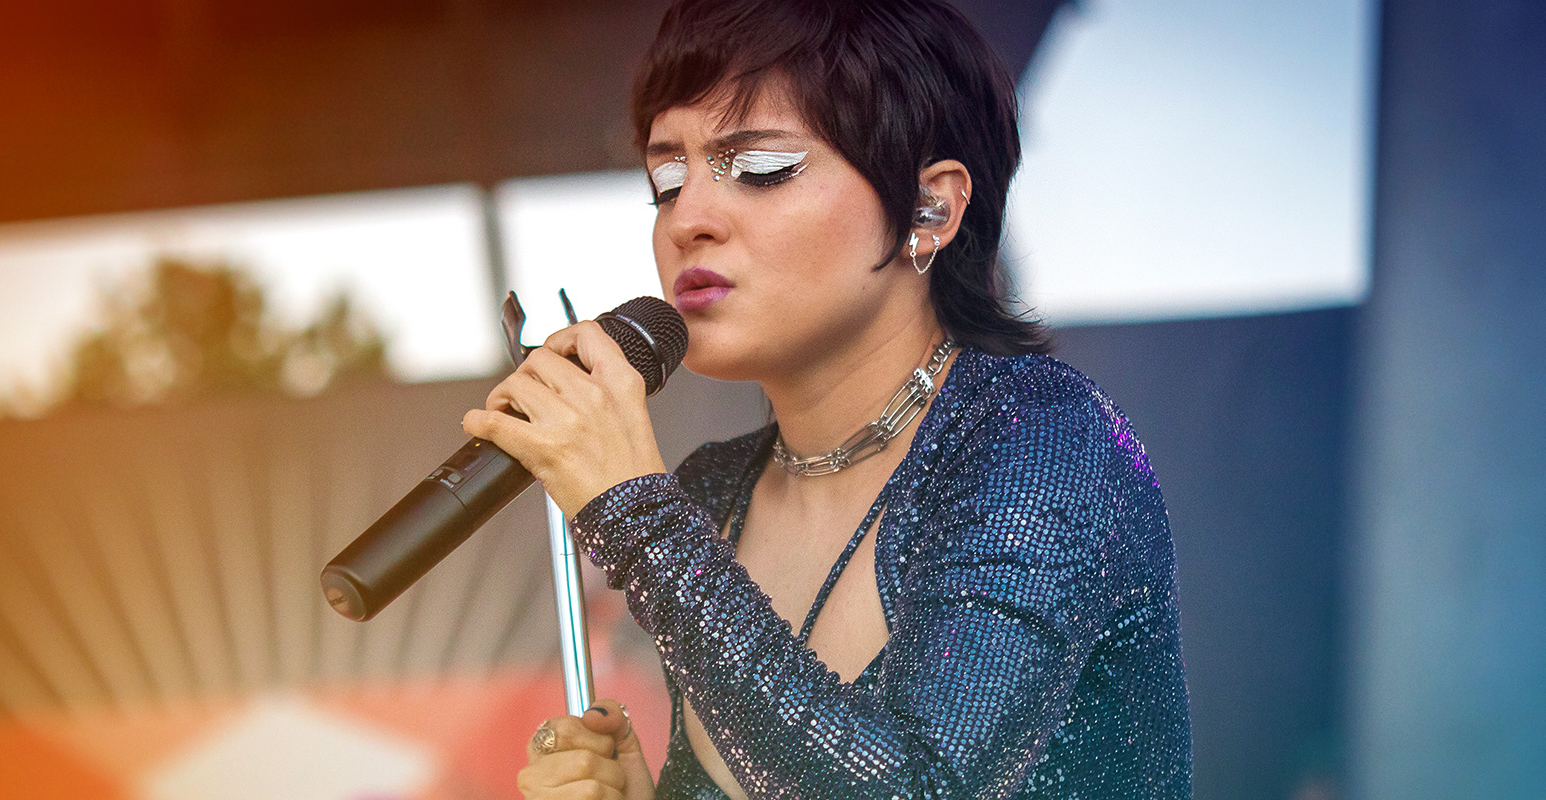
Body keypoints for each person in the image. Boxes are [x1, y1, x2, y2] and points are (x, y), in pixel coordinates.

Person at [463, 0, 1192, 797]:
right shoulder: (714, 494)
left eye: (761, 168)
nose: (689, 220)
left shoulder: (1042, 439)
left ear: (931, 208)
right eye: (667, 181)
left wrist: (632, 511)